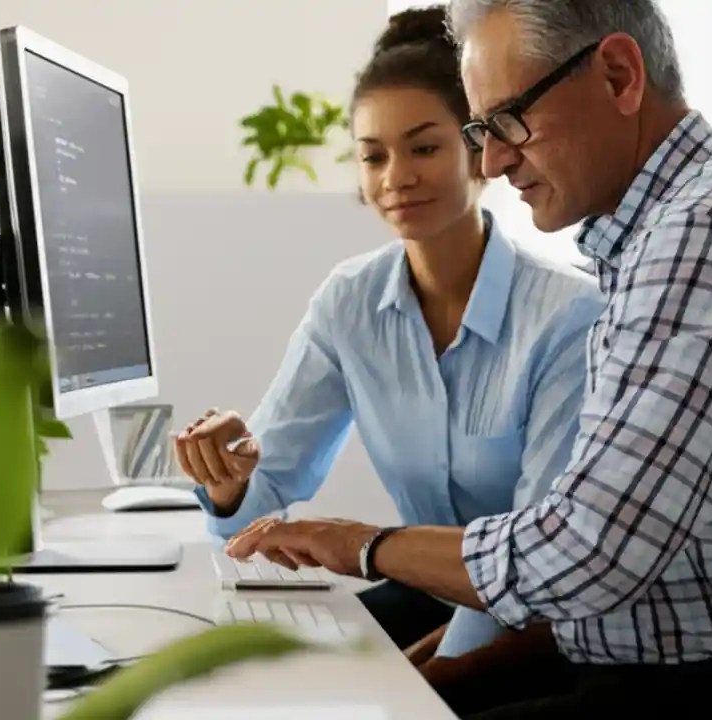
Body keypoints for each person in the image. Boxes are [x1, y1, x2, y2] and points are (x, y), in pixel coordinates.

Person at [221, 1, 712, 719]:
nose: (494, 160)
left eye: (510, 119)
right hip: (644, 660)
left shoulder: (706, 237)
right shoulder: (662, 233)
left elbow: (582, 553)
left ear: (618, 76)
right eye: (482, 131)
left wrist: (363, 545)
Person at [172, 4, 602, 694]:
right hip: (430, 589)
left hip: (541, 624)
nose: (395, 176)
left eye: (424, 147)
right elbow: (264, 500)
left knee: (365, 698)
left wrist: (417, 680)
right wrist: (230, 480)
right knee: (265, 678)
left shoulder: (568, 316)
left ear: (478, 151)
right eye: (374, 155)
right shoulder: (350, 302)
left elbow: (537, 567)